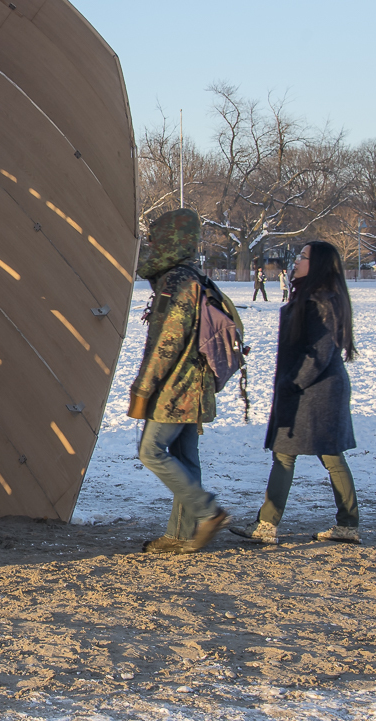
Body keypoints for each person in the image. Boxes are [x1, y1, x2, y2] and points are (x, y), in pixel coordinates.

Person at [230, 241, 361, 544]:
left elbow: (319, 352)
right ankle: (345, 523)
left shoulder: (321, 301)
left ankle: (268, 525)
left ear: (317, 265)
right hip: (312, 389)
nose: (296, 262)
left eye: (303, 257)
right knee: (315, 455)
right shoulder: (314, 296)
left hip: (314, 392)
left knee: (300, 454)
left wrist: (294, 382)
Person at [129, 208, 230, 554]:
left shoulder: (177, 282)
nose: (150, 246)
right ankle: (183, 536)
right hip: (196, 386)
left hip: (177, 387)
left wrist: (143, 387)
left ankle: (207, 511)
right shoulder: (195, 277)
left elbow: (167, 342)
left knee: (151, 451)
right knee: (184, 456)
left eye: (155, 239)